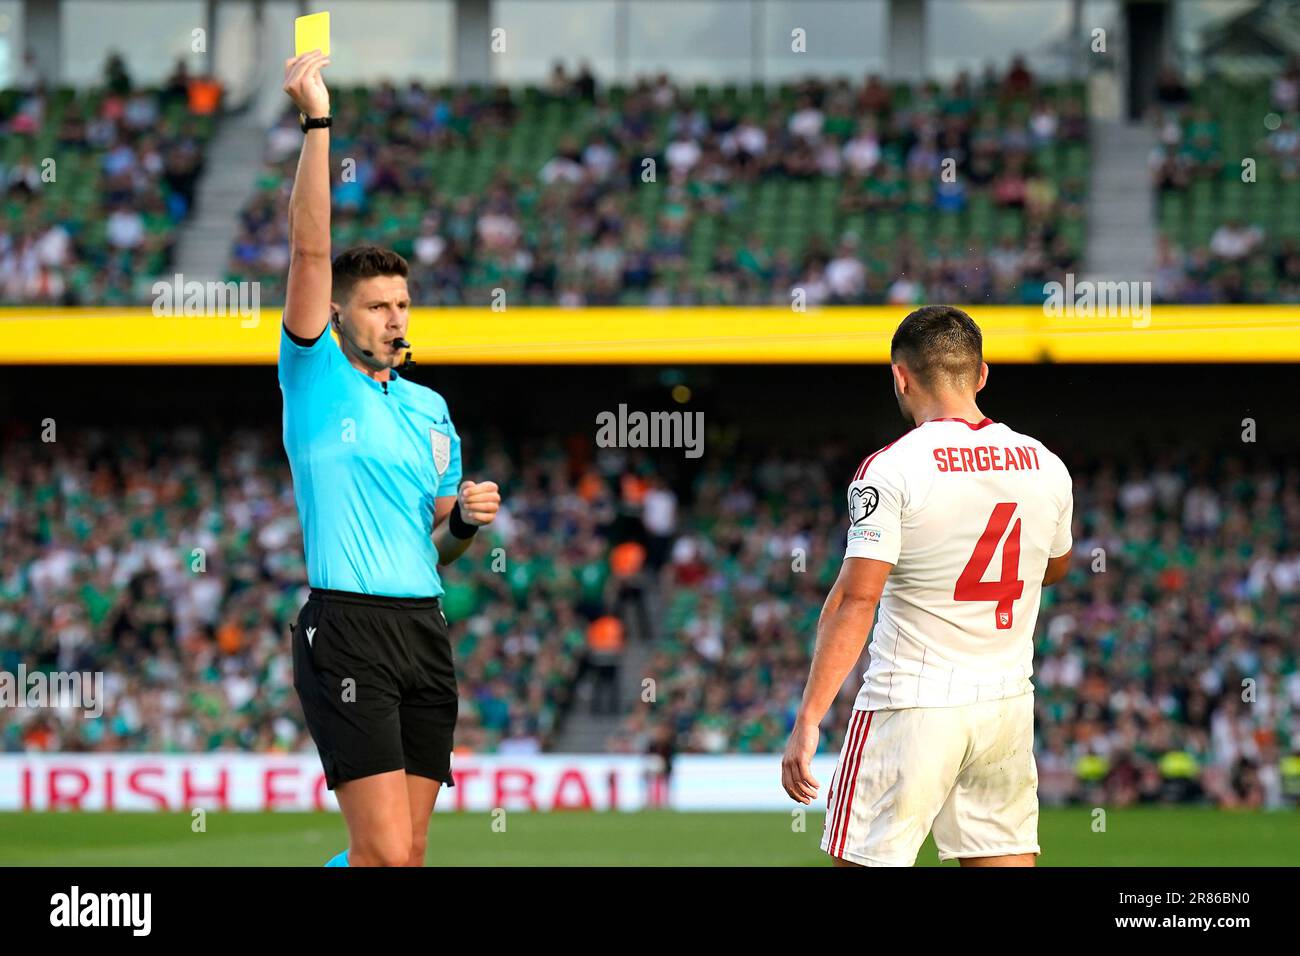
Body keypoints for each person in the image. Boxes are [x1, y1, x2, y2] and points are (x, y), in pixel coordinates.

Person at [279, 51, 501, 867]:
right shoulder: (315, 375)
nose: (394, 317)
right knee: (384, 856)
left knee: (405, 856)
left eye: (403, 303)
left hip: (424, 628)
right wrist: (317, 124)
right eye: (376, 305)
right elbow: (307, 256)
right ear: (339, 314)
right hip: (348, 629)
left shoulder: (430, 409)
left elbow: (434, 539)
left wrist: (467, 525)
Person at [780, 305, 1074, 867]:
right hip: (1005, 704)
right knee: (1003, 857)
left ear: (899, 375)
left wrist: (809, 719)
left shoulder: (892, 469)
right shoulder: (1046, 465)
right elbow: (1053, 566)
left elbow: (856, 598)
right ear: (981, 374)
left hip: (911, 702)